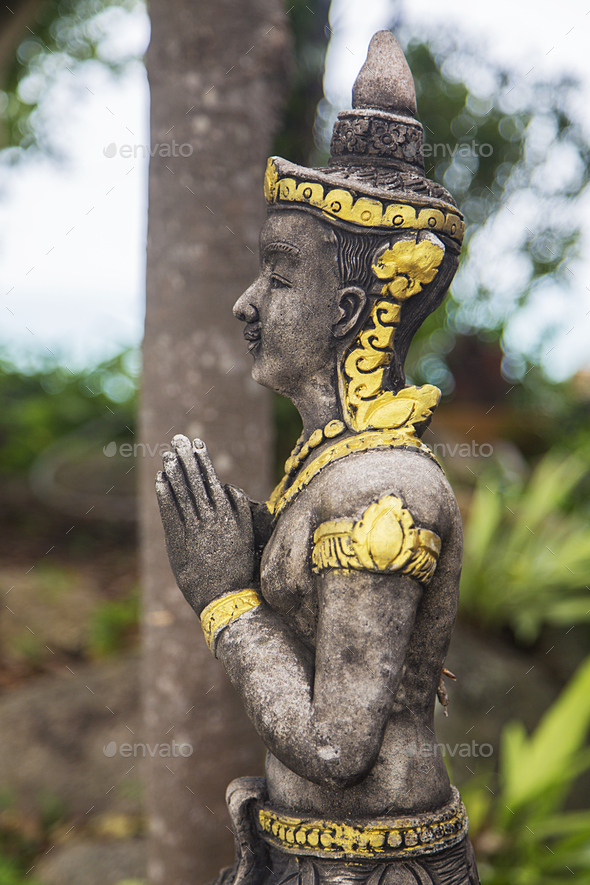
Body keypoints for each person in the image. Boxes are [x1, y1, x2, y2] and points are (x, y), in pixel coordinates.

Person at [156, 30, 480, 885]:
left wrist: (223, 598)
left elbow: (337, 747)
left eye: (277, 275)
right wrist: (257, 539)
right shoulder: (334, 467)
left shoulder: (384, 490)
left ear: (345, 309)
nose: (245, 302)